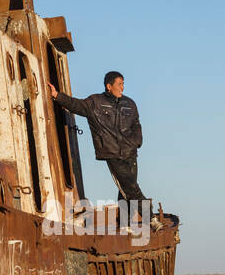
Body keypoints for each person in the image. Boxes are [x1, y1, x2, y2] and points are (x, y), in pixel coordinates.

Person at [48, 70, 158, 229]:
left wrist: (136, 142)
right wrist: (57, 96)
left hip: (131, 153)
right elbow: (76, 105)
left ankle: (124, 225)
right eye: (119, 84)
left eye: (123, 84)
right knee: (131, 188)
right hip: (112, 153)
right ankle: (151, 218)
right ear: (109, 86)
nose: (122, 88)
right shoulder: (95, 102)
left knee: (125, 189)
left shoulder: (130, 103)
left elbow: (136, 124)